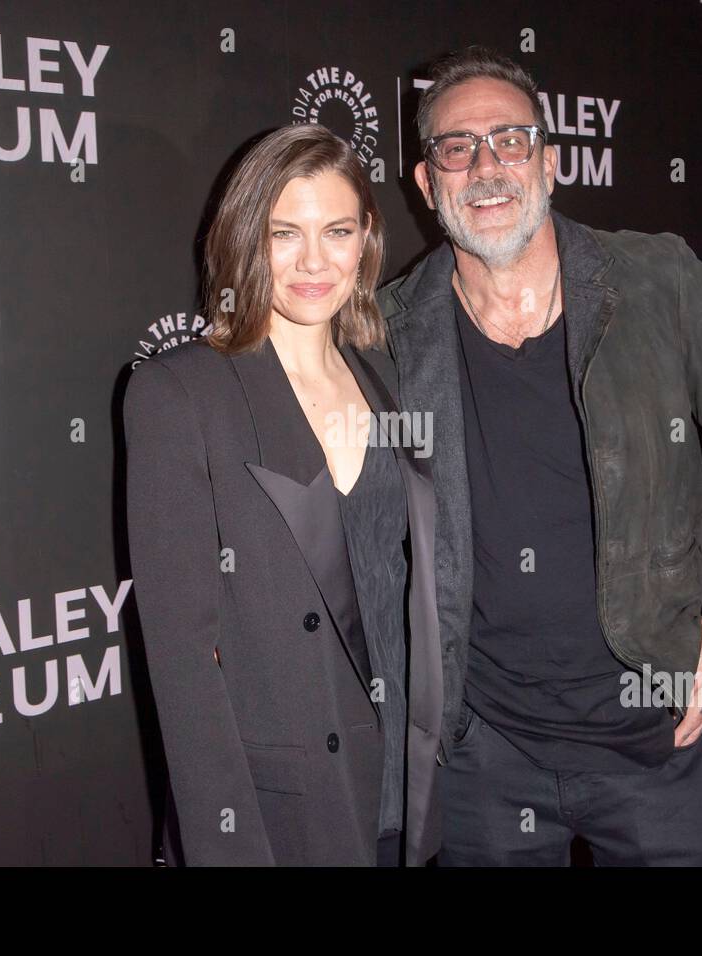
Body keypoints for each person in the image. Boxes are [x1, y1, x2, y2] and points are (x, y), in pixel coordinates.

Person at [376, 46, 702, 866]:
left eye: (511, 141)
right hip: (483, 759)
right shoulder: (388, 332)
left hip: (654, 738)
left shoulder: (658, 279)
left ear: (552, 163)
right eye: (458, 148)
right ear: (427, 185)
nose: (486, 166)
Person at [124, 124, 442, 866]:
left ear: (365, 239)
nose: (313, 261)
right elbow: (182, 665)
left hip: (406, 788)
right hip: (288, 810)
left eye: (337, 231)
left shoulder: (385, 379)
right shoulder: (181, 394)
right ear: (244, 239)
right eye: (284, 233)